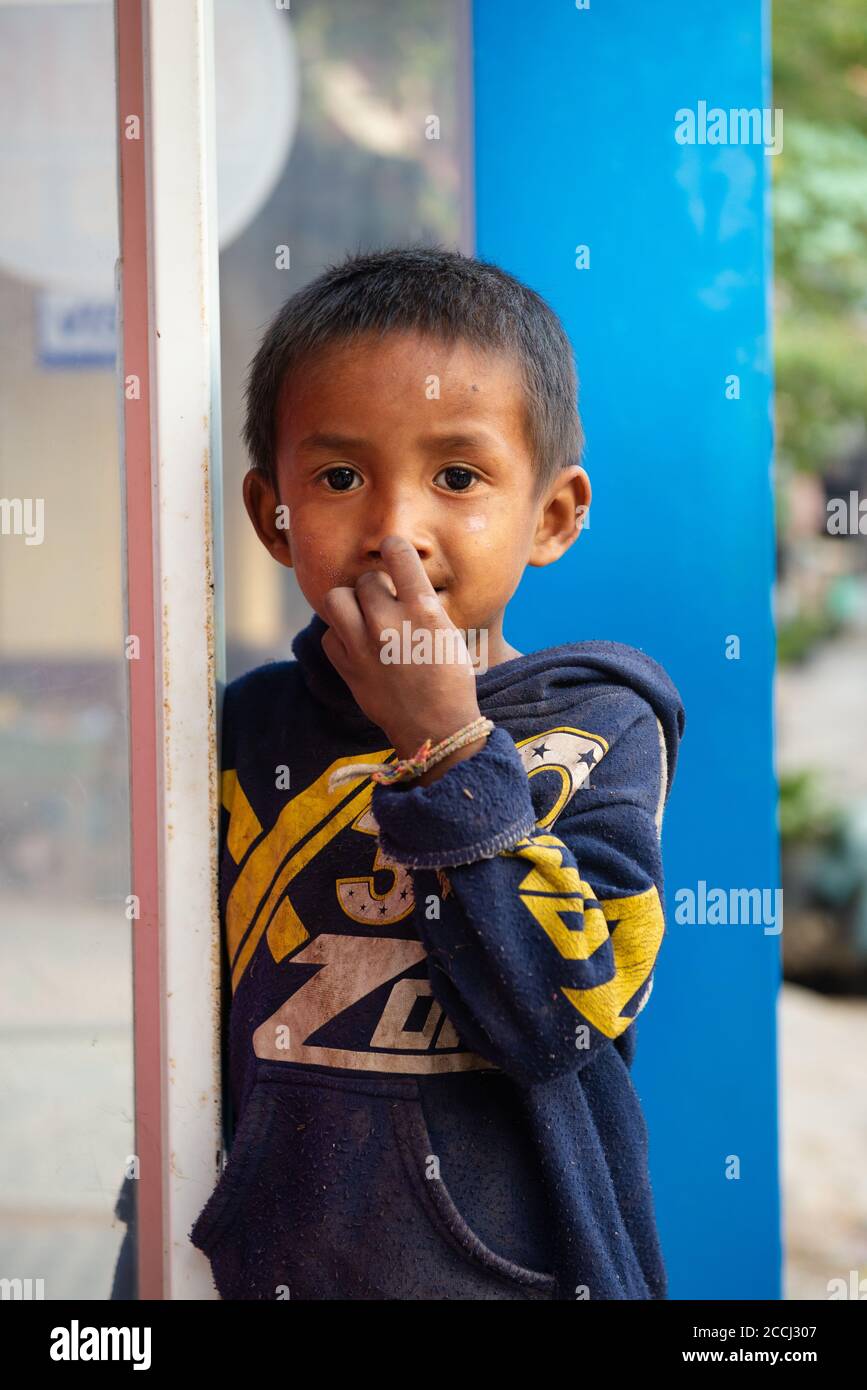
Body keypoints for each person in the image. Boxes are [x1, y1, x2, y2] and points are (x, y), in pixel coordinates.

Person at [115, 244, 685, 1301]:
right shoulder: (242, 729)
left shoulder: (601, 727)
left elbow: (561, 1018)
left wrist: (446, 744)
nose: (393, 530)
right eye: (338, 478)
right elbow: (188, 1032)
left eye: (457, 477)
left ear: (552, 515)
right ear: (270, 515)